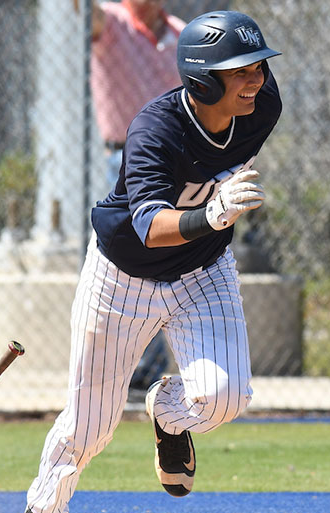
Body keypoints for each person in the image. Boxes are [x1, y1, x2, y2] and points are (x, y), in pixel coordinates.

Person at [20, 10, 282, 513]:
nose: (255, 78)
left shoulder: (262, 107)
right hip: (122, 279)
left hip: (202, 272)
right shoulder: (153, 131)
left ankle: (168, 411)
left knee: (226, 396)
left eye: (257, 64)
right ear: (202, 79)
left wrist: (211, 227)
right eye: (239, 70)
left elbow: (248, 103)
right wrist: (210, 215)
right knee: (90, 426)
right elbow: (148, 227)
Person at [88, 0, 187, 395]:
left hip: (178, 159)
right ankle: (130, 367)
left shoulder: (180, 34)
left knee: (171, 260)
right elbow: (87, 16)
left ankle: (149, 370)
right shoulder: (111, 23)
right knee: (127, 261)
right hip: (125, 159)